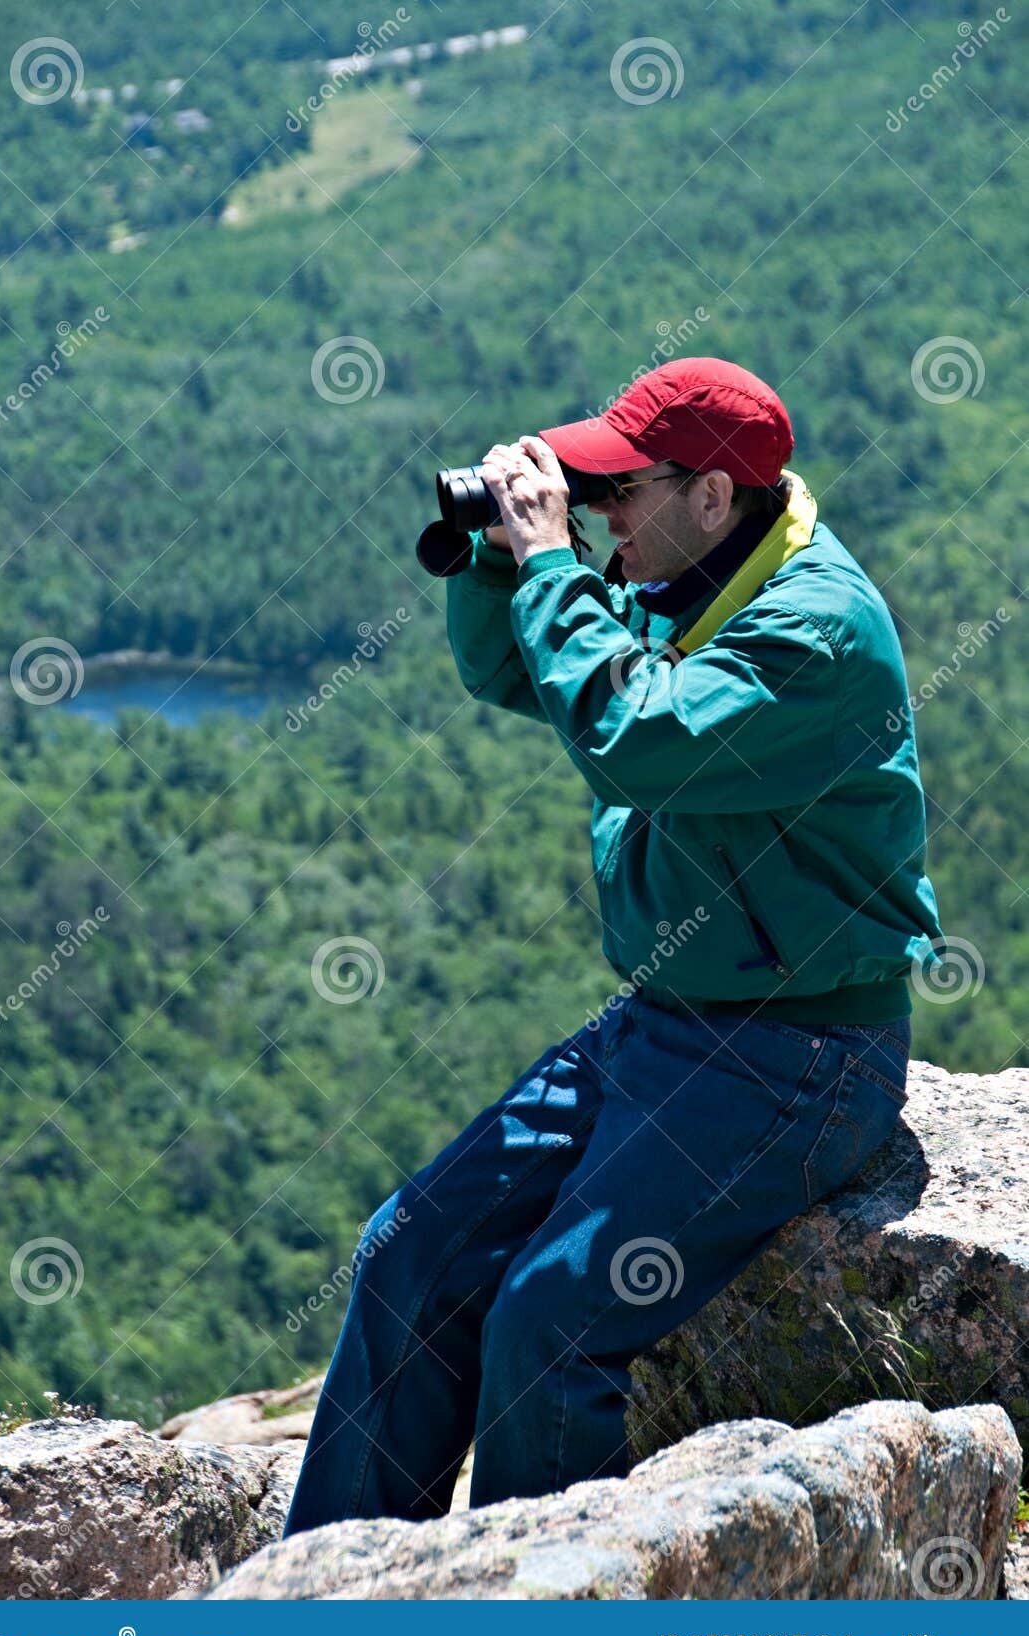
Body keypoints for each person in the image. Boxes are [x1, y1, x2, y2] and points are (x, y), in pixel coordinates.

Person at [282, 355, 943, 1536]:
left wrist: (548, 565)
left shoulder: (809, 632)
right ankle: (329, 1611)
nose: (597, 516)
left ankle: (541, 1627)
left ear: (712, 494)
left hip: (799, 1056)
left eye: (620, 491)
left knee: (550, 1322)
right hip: (663, 1024)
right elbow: (511, 672)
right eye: (586, 493)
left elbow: (634, 741)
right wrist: (499, 559)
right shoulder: (688, 573)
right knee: (408, 1257)